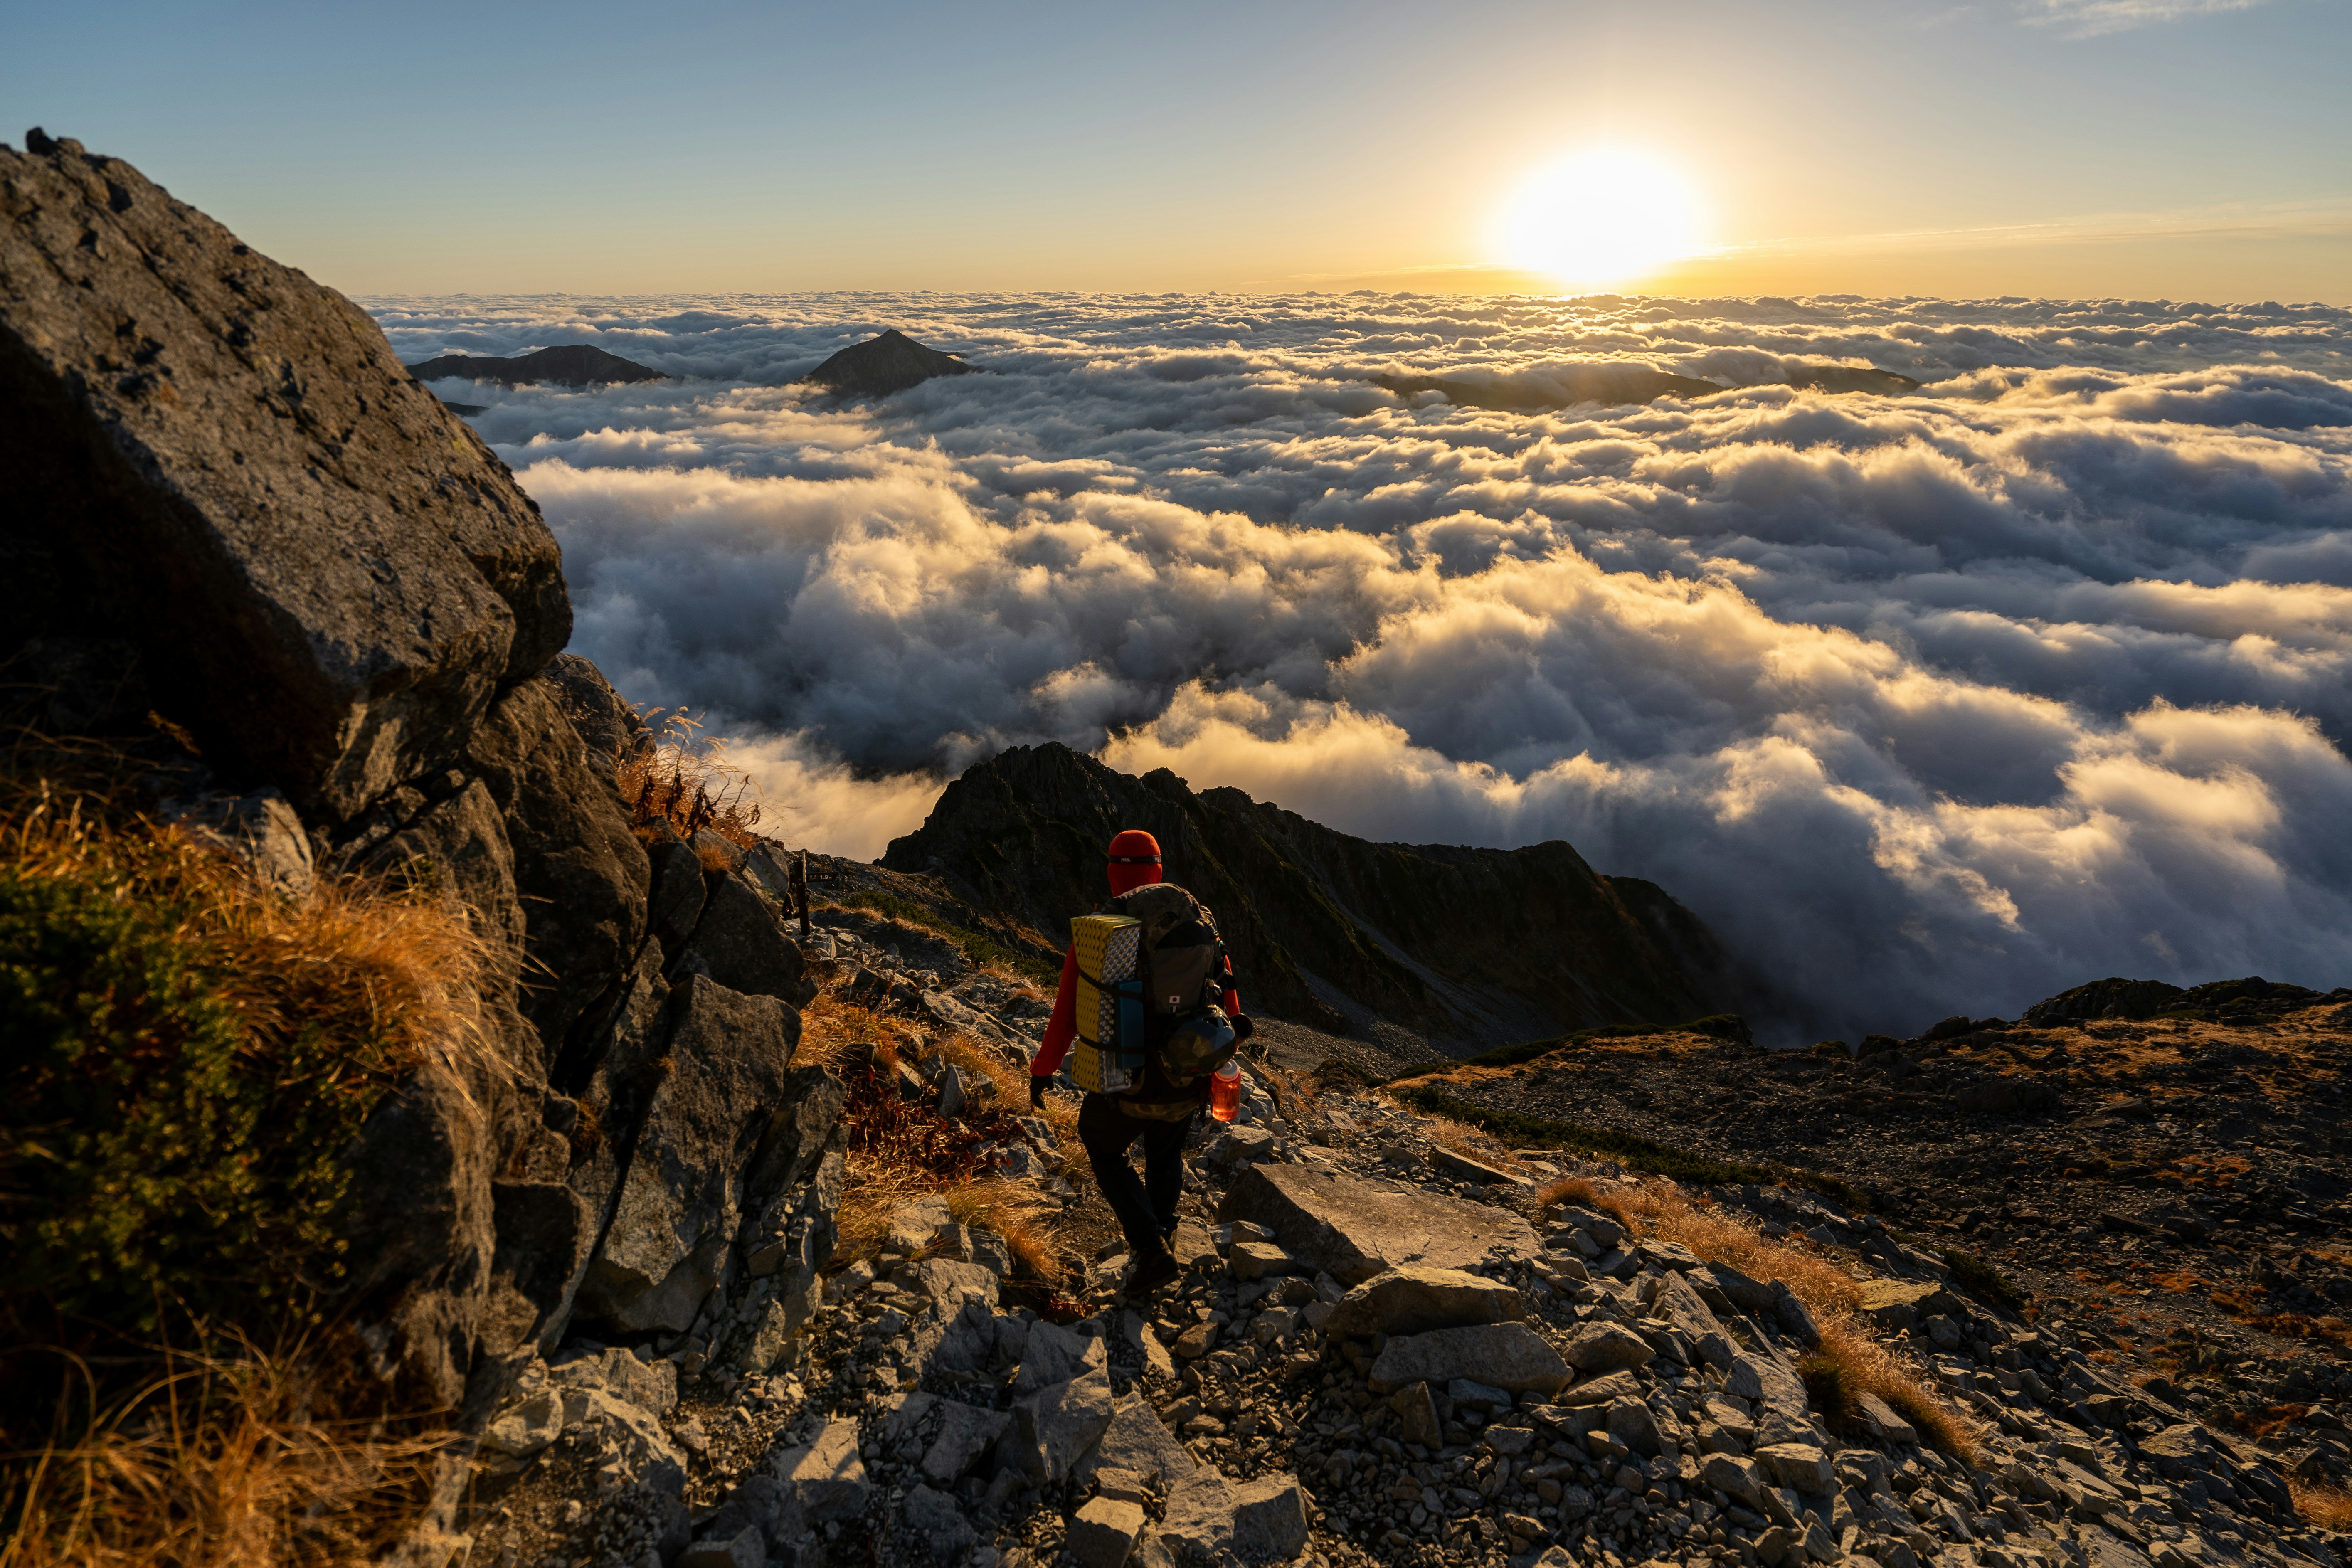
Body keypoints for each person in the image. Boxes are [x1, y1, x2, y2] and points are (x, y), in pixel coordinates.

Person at [1028, 829, 1251, 1294]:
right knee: (1166, 1152)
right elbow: (1228, 994)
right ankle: (1162, 1236)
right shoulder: (1201, 920)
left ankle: (1150, 1249)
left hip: (1123, 1079)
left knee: (1103, 1145)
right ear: (1159, 869)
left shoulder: (1101, 930)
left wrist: (1042, 1070)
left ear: (1113, 872)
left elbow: (1066, 1015)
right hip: (1188, 1071)